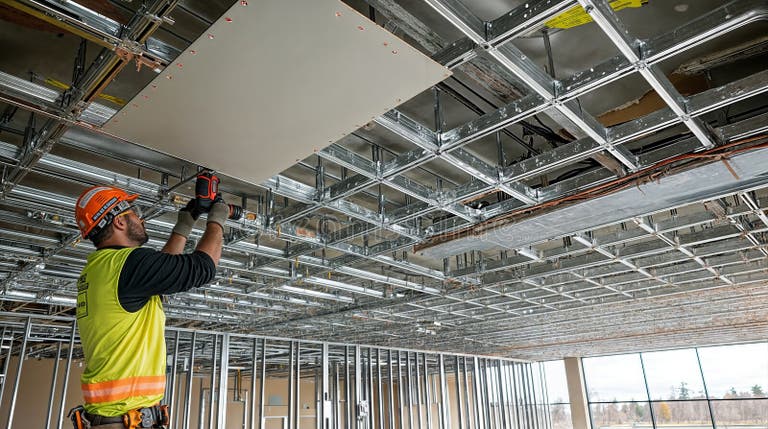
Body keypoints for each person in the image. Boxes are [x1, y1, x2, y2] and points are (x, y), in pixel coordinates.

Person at [70, 184, 229, 428]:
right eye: (134, 212)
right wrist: (217, 218)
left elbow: (160, 274)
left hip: (119, 418)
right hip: (124, 419)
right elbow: (203, 268)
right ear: (119, 222)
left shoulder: (103, 268)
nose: (140, 218)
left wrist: (186, 223)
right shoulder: (127, 265)